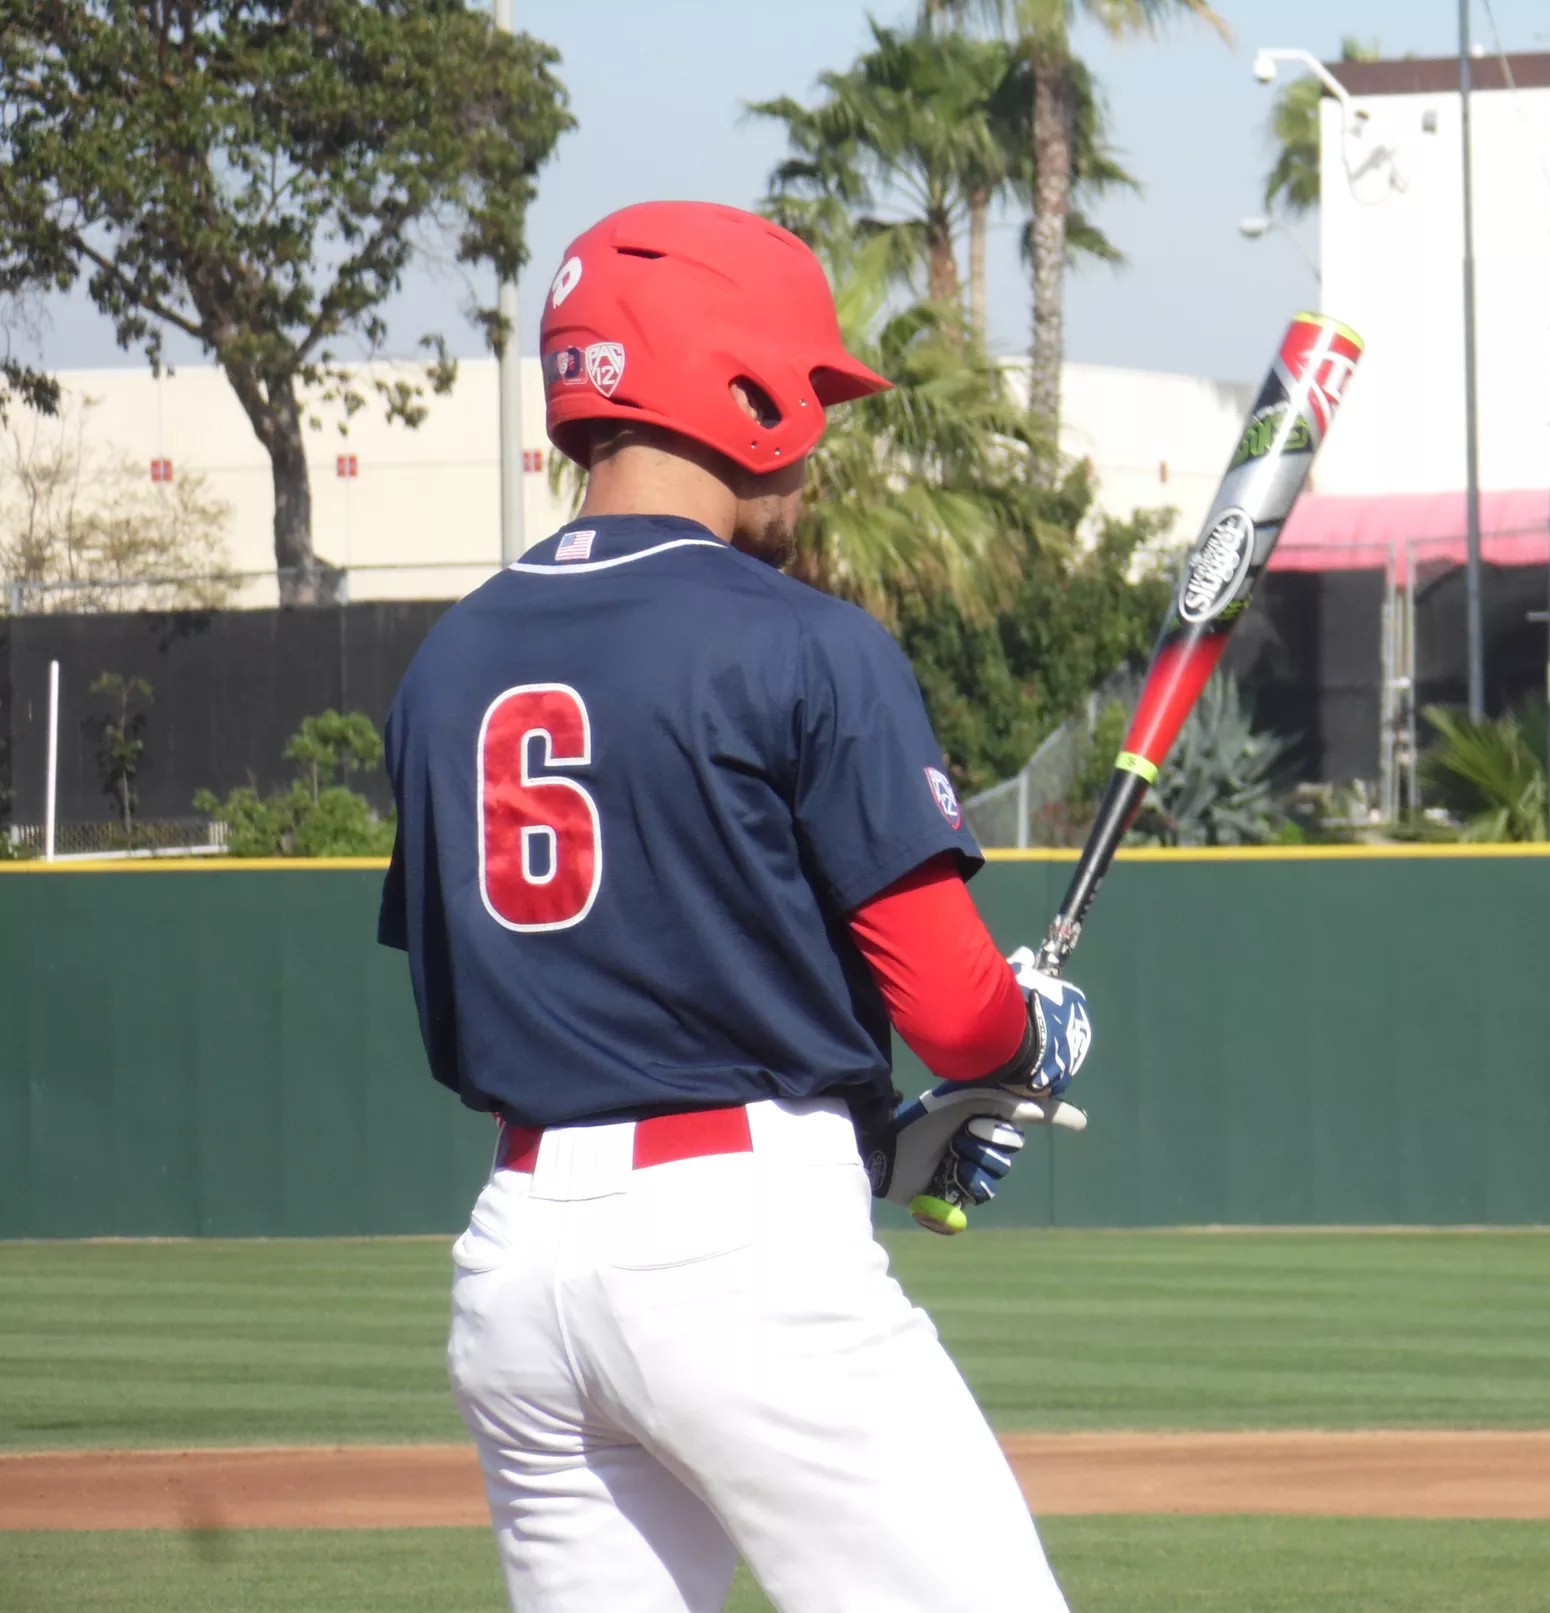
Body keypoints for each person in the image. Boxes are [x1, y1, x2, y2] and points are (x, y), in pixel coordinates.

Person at [378, 200, 1091, 1613]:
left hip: (518, 1266)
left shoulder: (446, 663)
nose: (817, 434)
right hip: (740, 1263)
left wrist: (873, 1142)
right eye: (811, 388)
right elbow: (953, 1010)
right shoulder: (807, 641)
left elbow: (535, 1005)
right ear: (737, 382)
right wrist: (1033, 1039)